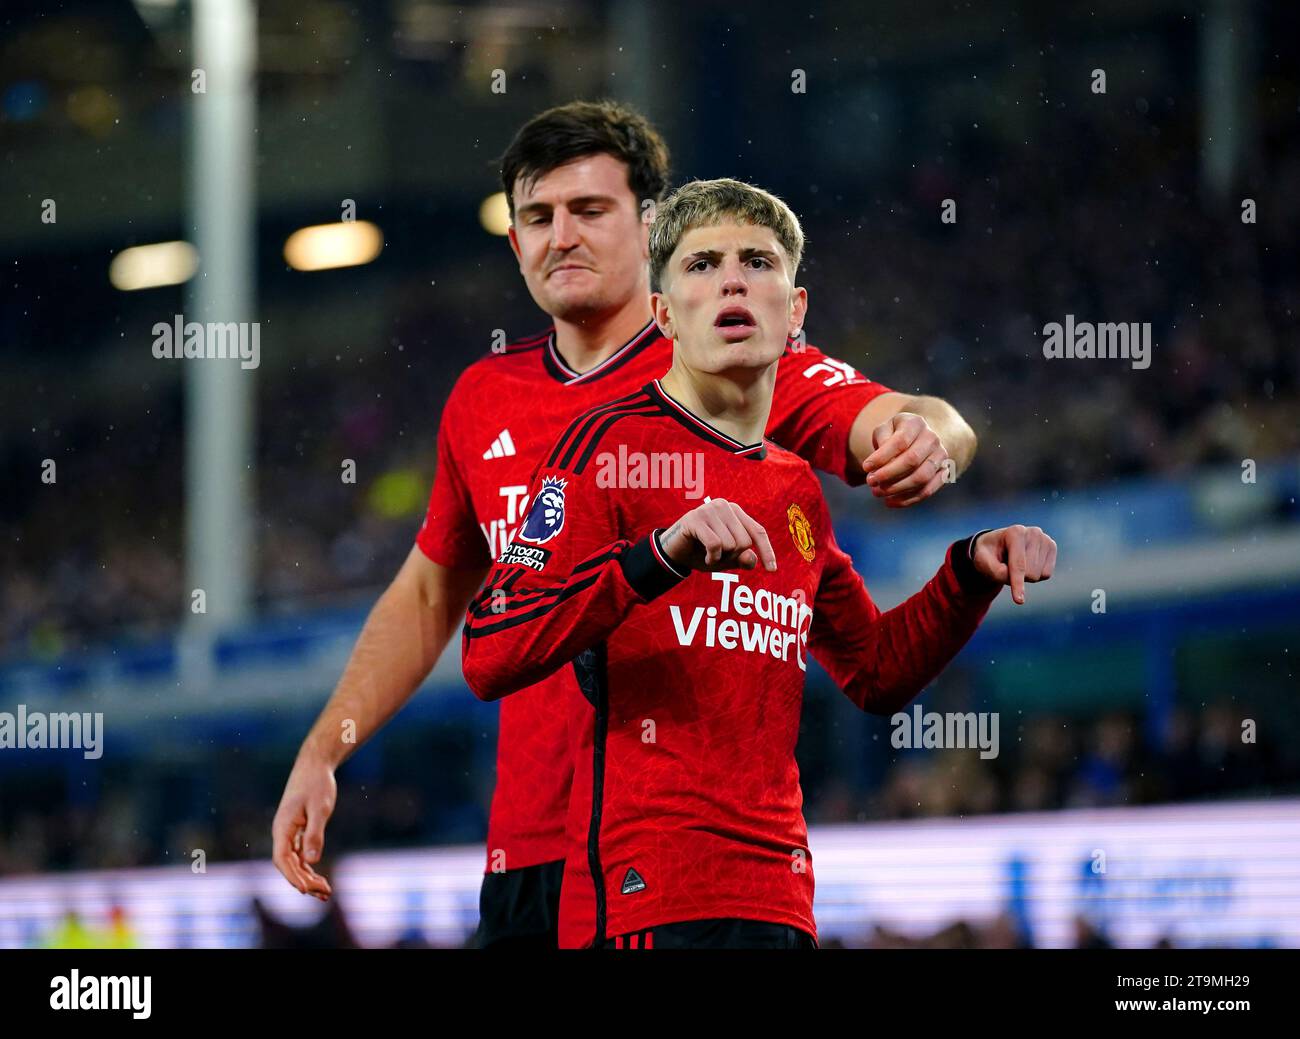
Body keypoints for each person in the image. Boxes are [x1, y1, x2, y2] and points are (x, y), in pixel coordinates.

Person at [273, 100, 979, 949]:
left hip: (676, 863)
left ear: (649, 228)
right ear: (515, 244)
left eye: (589, 210)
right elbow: (430, 596)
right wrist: (326, 748)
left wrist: (932, 437)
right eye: (537, 217)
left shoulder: (722, 354)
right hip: (530, 853)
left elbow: (903, 415)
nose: (560, 236)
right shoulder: (482, 398)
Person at [461, 178, 1056, 948]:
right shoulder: (605, 448)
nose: (733, 279)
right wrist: (656, 558)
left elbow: (874, 670)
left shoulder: (796, 488)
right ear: (664, 313)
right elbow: (490, 648)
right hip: (649, 900)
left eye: (757, 262)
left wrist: (970, 570)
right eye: (703, 264)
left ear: (795, 310)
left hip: (781, 897)